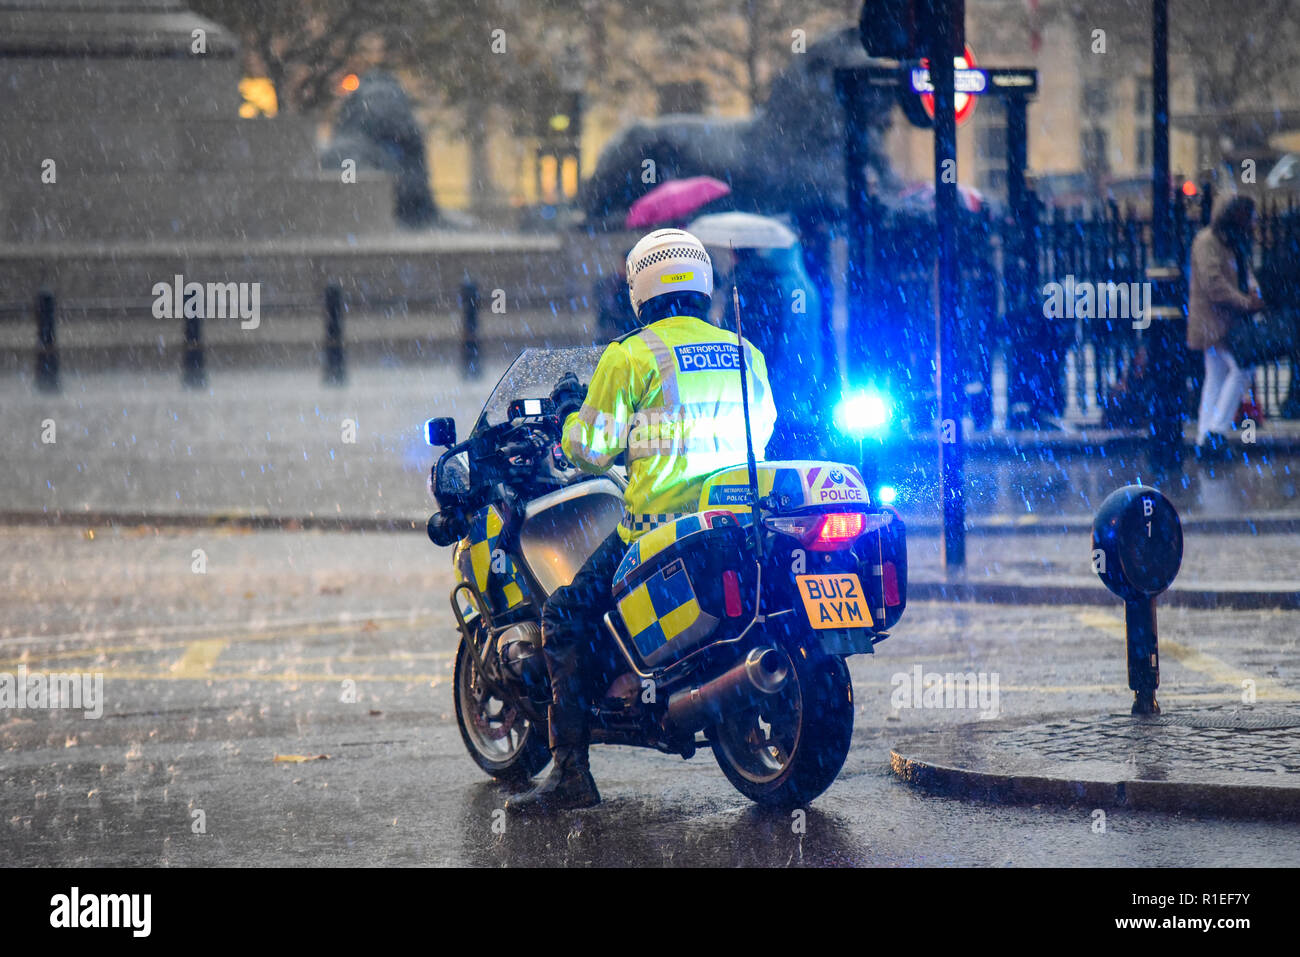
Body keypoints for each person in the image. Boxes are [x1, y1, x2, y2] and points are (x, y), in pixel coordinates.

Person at [506, 228, 777, 814]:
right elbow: (766, 425)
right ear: (702, 285)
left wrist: (571, 429)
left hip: (653, 532)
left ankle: (571, 774)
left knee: (565, 614)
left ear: (641, 289)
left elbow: (594, 447)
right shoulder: (743, 352)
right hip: (730, 523)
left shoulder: (631, 354)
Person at [1187, 195, 1267, 456]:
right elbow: (1214, 285)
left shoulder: (1230, 241)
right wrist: (1246, 302)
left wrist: (1252, 293)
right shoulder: (1208, 241)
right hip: (1215, 322)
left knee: (1216, 377)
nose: (1251, 221)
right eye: (1247, 216)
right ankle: (1215, 433)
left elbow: (1242, 275)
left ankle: (1204, 438)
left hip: (1224, 321)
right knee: (1244, 367)